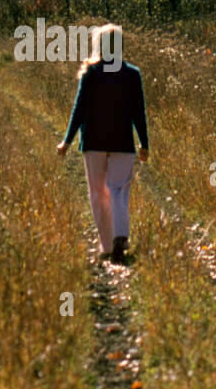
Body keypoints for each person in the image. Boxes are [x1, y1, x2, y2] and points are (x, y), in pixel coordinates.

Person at [56, 24, 149, 264]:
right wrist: (144, 143)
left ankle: (107, 246)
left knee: (98, 194)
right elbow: (139, 112)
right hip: (122, 142)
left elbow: (79, 109)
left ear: (99, 46)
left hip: (94, 143)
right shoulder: (131, 74)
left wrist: (66, 140)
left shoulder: (91, 73)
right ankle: (121, 236)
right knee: (118, 190)